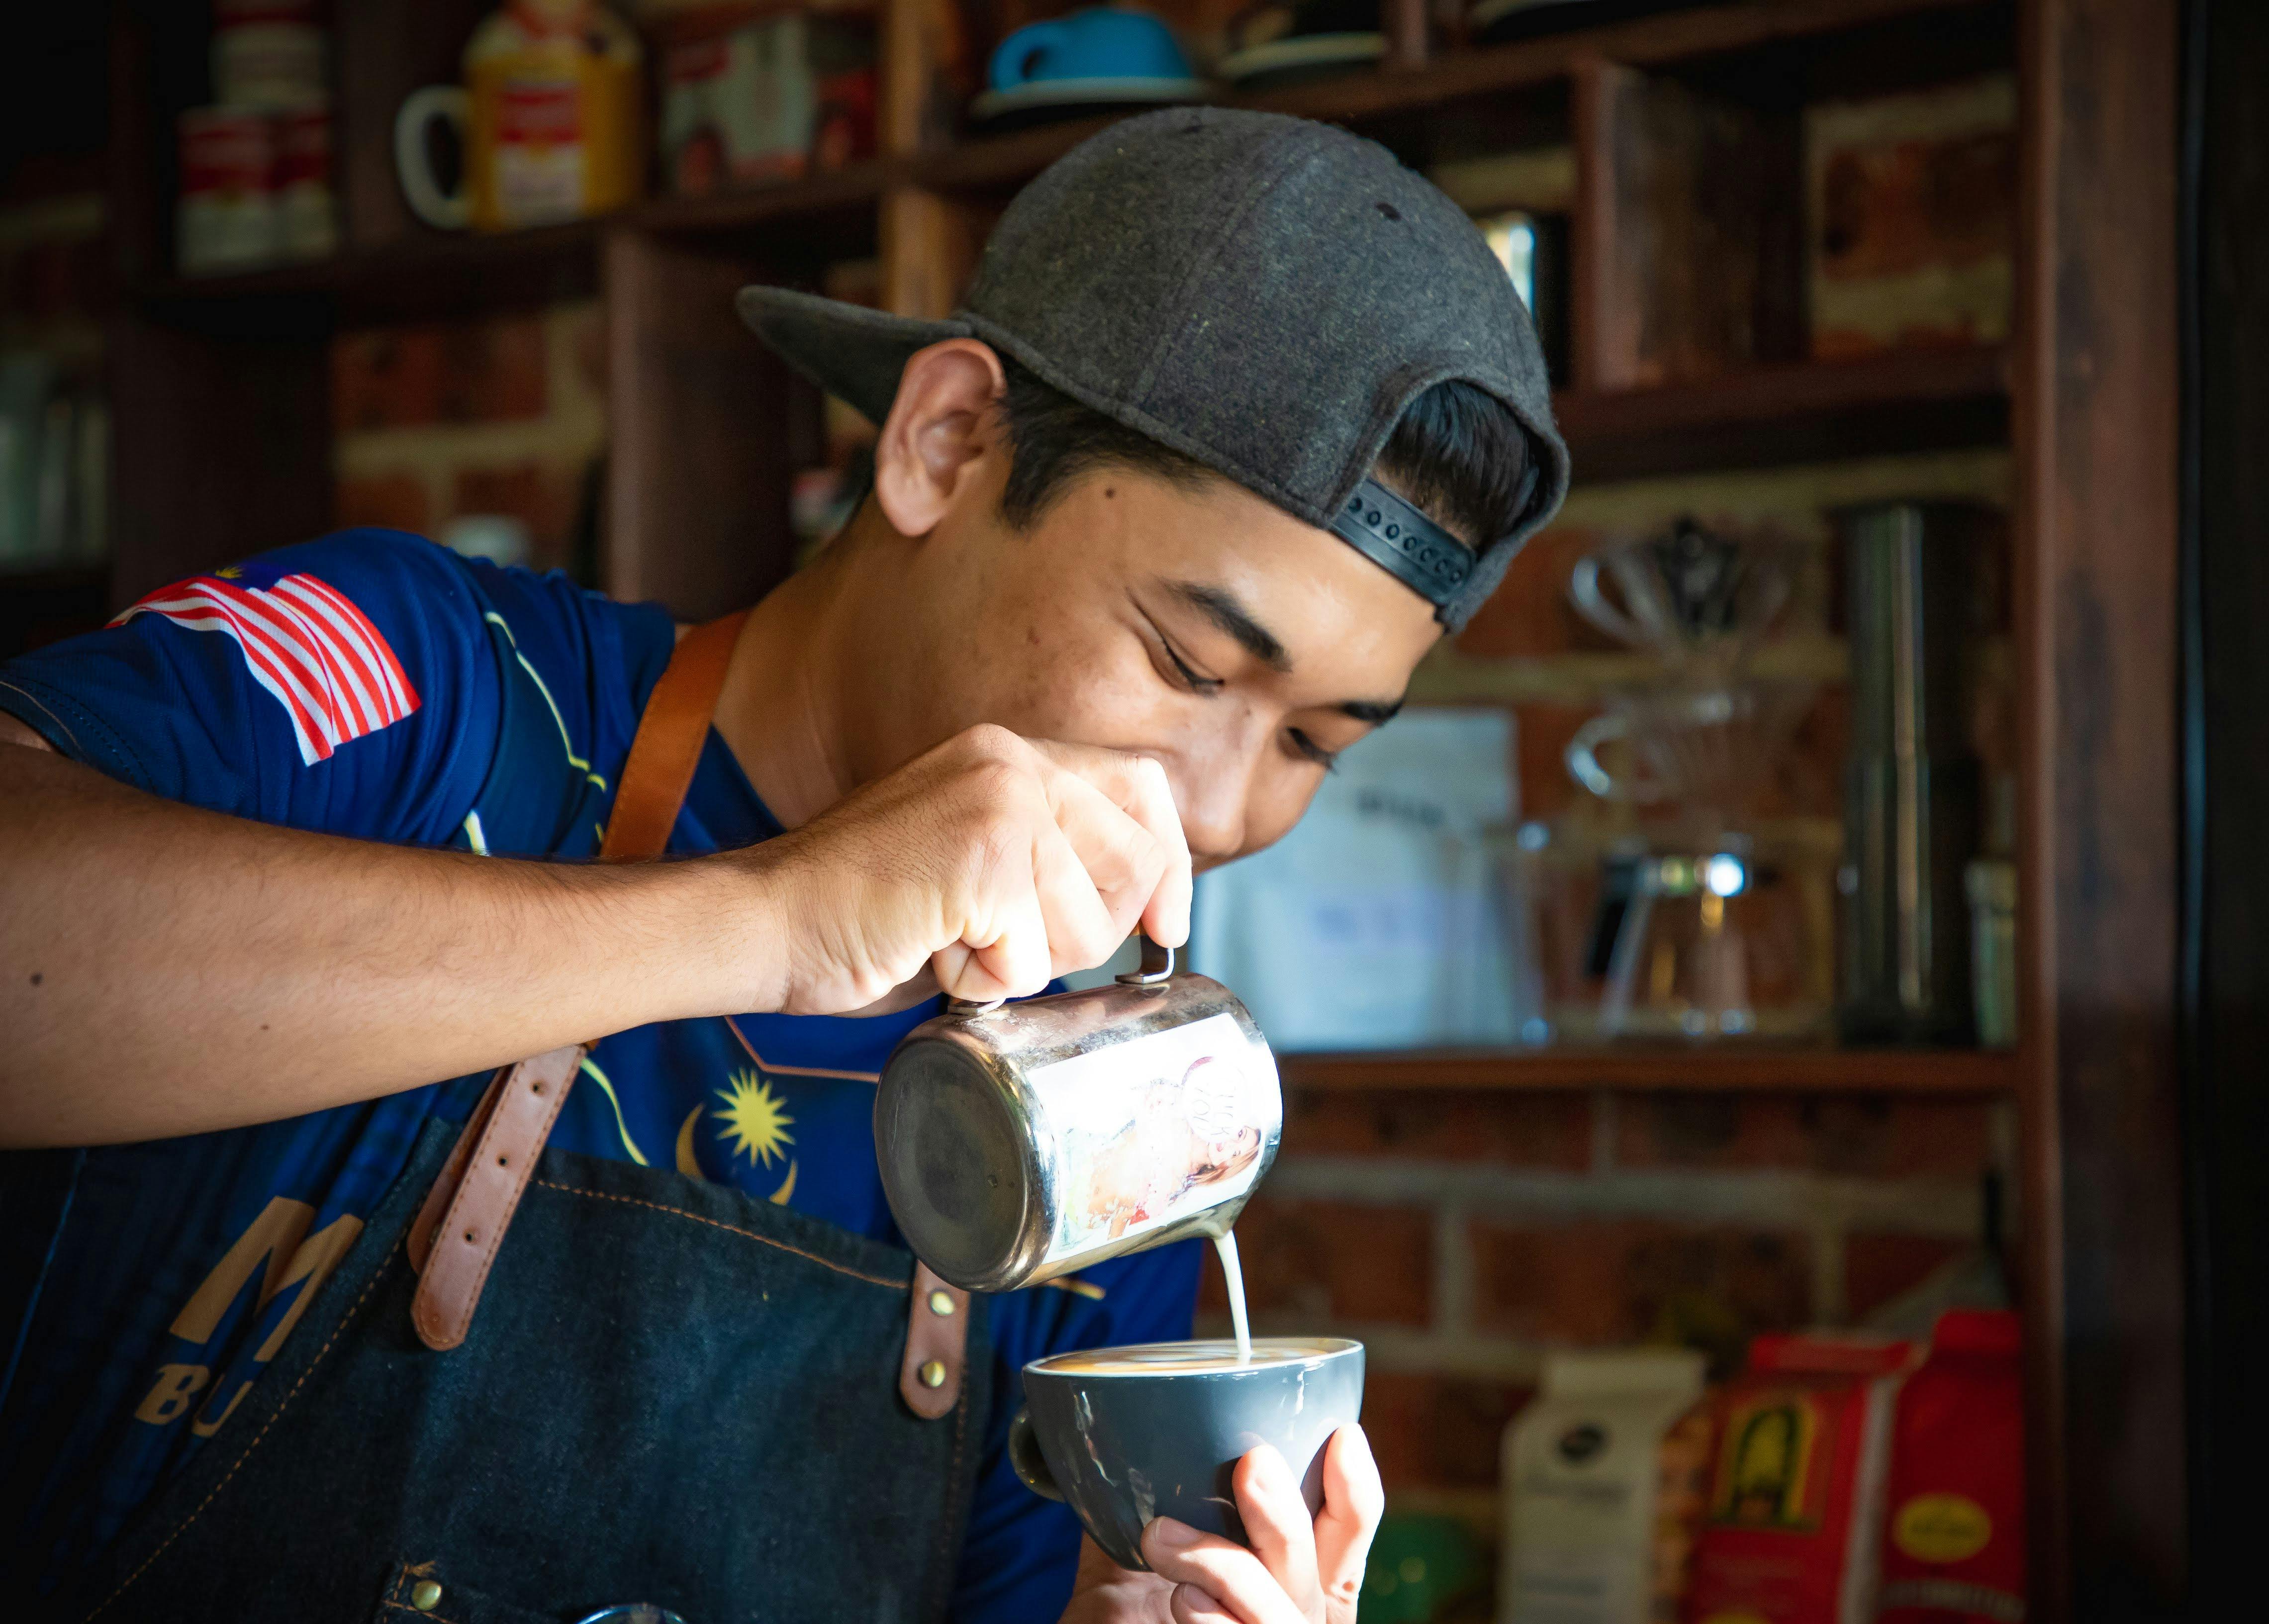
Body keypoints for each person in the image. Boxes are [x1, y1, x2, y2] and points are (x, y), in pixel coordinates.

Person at [0, 108, 1567, 1623]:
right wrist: (772, 913)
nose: (1218, 810)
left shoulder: (1090, 1154)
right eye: (1187, 662)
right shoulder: (437, 691)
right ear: (946, 443)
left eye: (1313, 744)